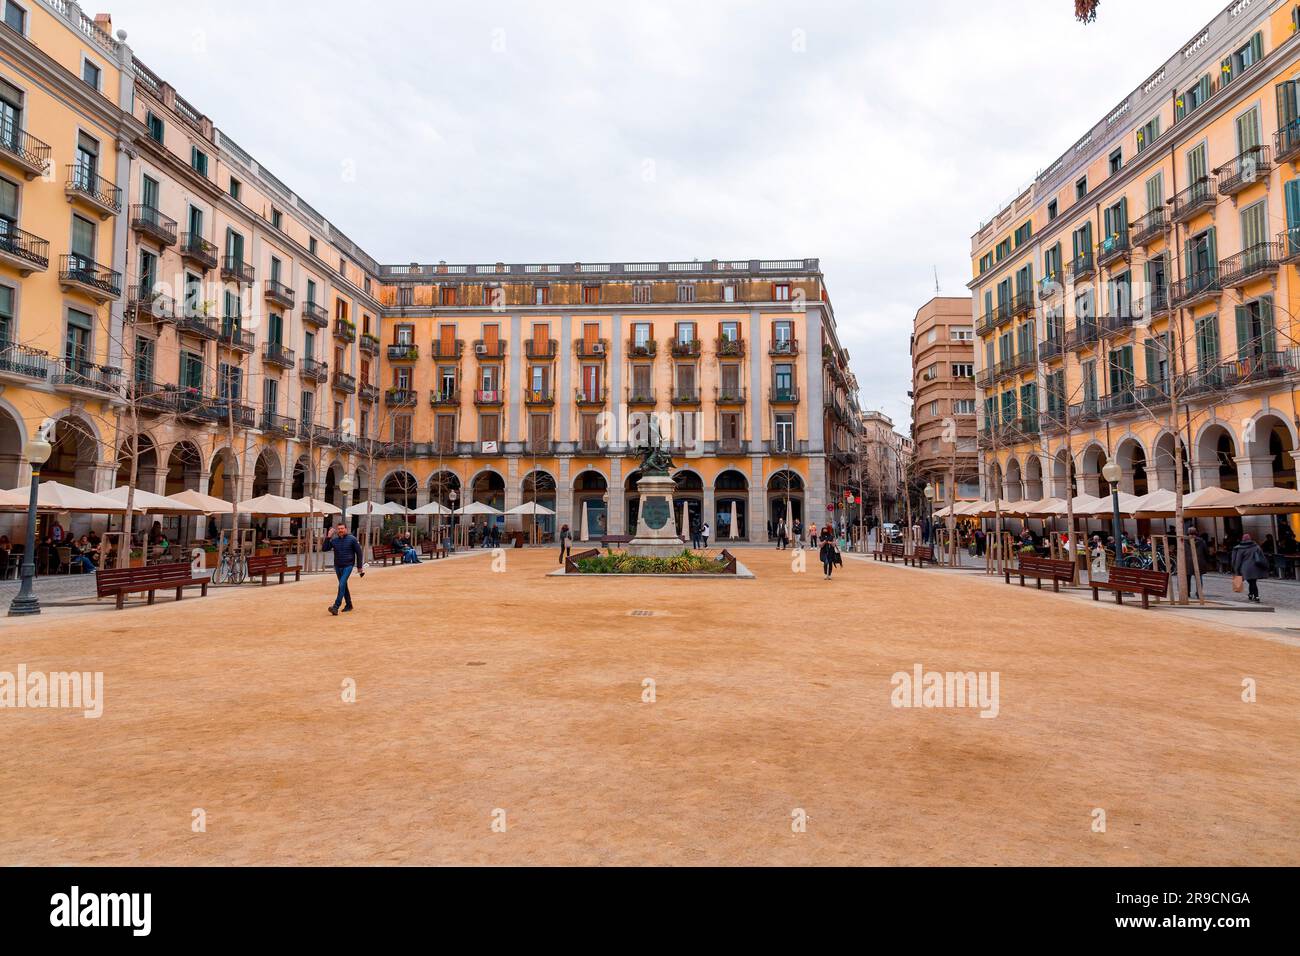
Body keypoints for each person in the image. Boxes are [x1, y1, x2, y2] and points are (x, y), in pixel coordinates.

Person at [322, 521, 364, 615]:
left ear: (346, 529)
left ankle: (336, 606)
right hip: (337, 566)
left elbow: (359, 553)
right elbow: (324, 548)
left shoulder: (352, 539)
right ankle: (349, 605)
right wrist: (328, 536)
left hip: (348, 565)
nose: (340, 530)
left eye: (342, 528)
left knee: (341, 584)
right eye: (339, 529)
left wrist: (359, 567)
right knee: (343, 585)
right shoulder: (334, 540)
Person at [1231, 533, 1270, 604]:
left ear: (1243, 539)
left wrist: (1236, 570)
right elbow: (1262, 557)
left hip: (1246, 569)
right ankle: (1252, 595)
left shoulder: (1240, 548)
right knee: (1253, 582)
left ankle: (1255, 596)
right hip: (1256, 567)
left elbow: (1238, 561)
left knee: (1251, 582)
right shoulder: (1256, 546)